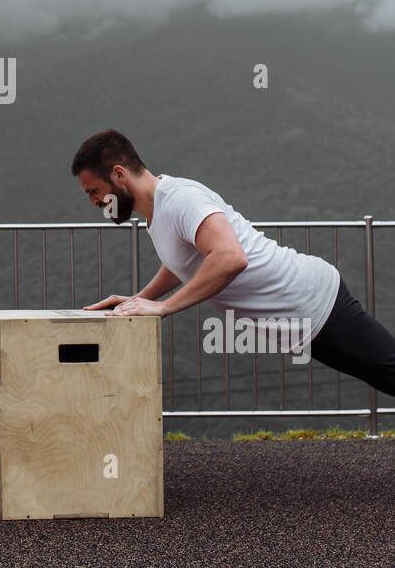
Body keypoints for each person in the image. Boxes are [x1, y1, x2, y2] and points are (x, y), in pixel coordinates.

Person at [71, 128, 395, 396]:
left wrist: (164, 308)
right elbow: (182, 262)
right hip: (302, 320)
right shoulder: (157, 214)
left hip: (313, 301)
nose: (94, 202)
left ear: (118, 174)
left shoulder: (180, 199)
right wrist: (141, 299)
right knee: (385, 378)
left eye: (94, 190)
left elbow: (229, 258)